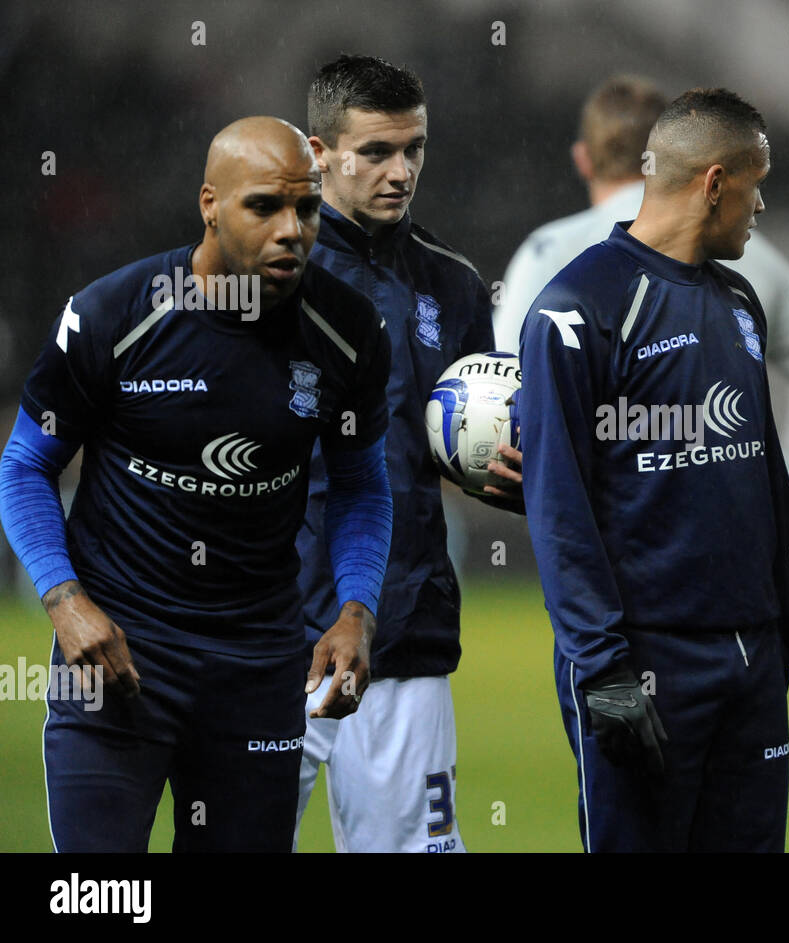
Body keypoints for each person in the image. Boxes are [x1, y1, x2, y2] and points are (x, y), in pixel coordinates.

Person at [0, 116, 393, 852]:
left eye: (306, 209)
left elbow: (361, 486)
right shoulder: (110, 315)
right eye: (264, 206)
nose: (292, 230)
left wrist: (356, 609)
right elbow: (25, 464)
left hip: (258, 662)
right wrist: (64, 600)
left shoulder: (349, 332)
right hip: (118, 656)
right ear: (209, 203)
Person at [519, 87, 789, 853]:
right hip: (644, 664)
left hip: (753, 661)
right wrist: (603, 666)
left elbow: (762, 474)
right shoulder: (576, 309)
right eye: (756, 182)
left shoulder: (739, 301)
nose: (761, 204)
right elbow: (556, 503)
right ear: (714, 183)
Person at [293, 54, 521, 854]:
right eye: (377, 152)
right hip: (268, 631)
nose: (402, 171)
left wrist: (515, 481)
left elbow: (469, 455)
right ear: (319, 153)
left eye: (414, 149)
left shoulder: (454, 285)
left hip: (400, 631)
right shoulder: (265, 276)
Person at [498, 75, 789, 507]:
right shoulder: (750, 250)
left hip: (610, 536)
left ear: (583, 160)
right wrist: (777, 490)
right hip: (719, 532)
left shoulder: (547, 251)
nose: (759, 204)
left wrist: (557, 487)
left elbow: (504, 393)